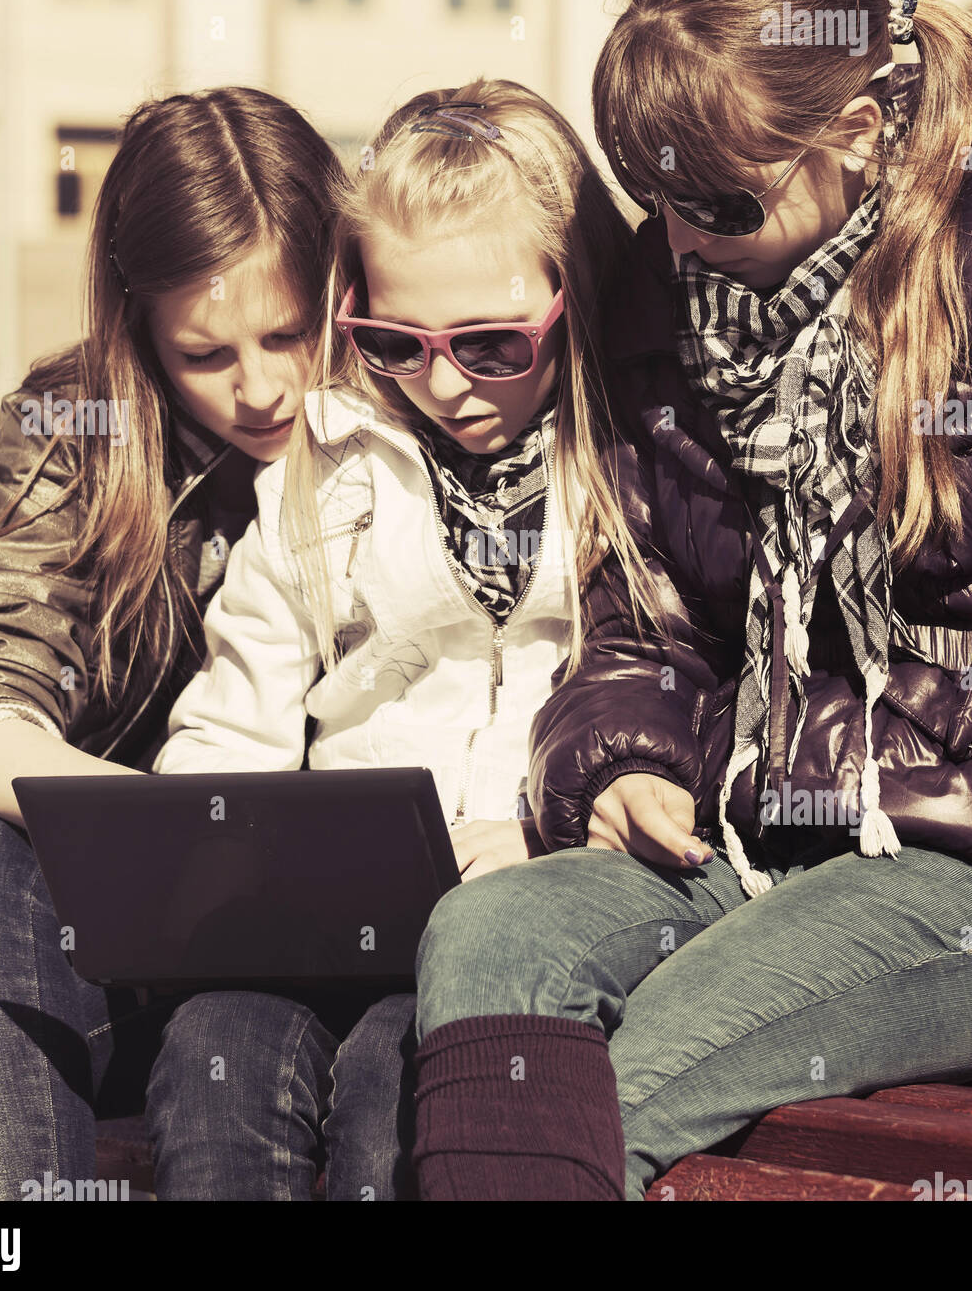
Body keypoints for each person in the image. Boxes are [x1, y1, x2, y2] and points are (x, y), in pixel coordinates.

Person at [410, 0, 972, 1201]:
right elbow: (642, 614)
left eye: (716, 201)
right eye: (656, 196)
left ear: (858, 133)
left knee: (625, 1080)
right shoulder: (674, 301)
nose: (682, 238)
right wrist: (631, 753)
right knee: (486, 929)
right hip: (750, 834)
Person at [143, 78, 657, 1199]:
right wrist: (208, 848)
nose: (444, 383)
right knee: (211, 1063)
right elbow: (239, 709)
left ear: (574, 296)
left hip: (511, 917)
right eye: (392, 343)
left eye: (490, 345)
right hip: (322, 911)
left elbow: (675, 705)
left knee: (396, 1084)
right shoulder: (322, 469)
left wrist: (545, 836)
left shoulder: (637, 469)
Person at [0, 87, 341, 1200]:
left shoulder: (424, 401)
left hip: (334, 964)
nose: (263, 386)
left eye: (289, 333)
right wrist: (169, 831)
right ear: (137, 326)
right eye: (205, 352)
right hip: (131, 947)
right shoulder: (74, 428)